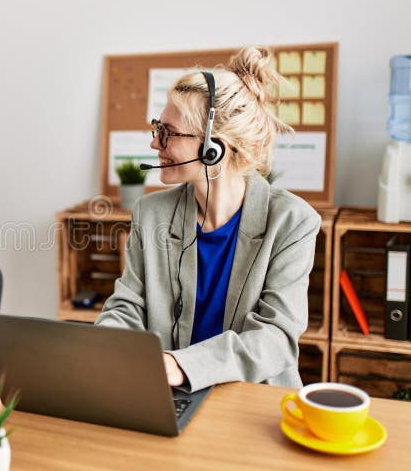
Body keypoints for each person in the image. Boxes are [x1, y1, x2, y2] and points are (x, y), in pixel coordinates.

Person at [95, 47, 320, 392]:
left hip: (251, 398)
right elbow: (128, 307)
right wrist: (103, 348)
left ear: (215, 147)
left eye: (168, 132)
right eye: (157, 128)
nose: (155, 143)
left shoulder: (291, 222)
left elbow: (275, 338)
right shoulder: (150, 214)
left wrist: (180, 365)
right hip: (169, 394)